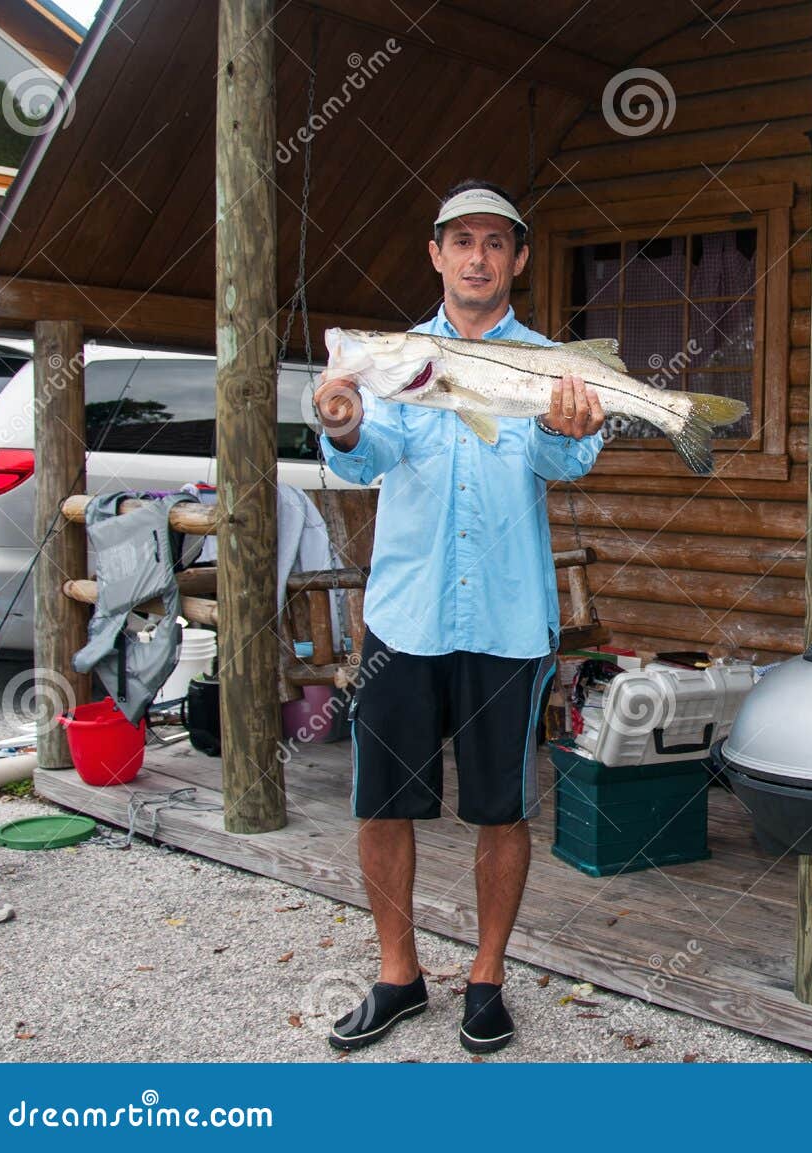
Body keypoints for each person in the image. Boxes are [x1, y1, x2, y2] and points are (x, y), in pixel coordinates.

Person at [312, 181, 605, 1053]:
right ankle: (397, 974)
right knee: (380, 803)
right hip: (404, 618)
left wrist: (563, 423)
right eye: (461, 241)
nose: (478, 256)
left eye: (495, 242)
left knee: (501, 810)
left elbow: (570, 457)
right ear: (437, 255)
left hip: (511, 621)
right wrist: (347, 420)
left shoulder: (556, 360)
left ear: (516, 259)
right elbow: (376, 454)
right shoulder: (402, 356)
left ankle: (486, 979)